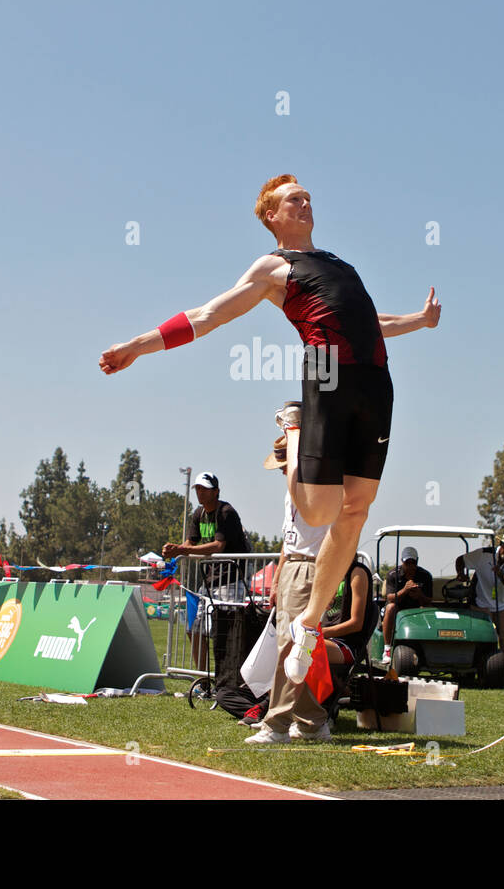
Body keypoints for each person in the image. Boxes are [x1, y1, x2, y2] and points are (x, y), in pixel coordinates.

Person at [101, 174, 441, 685]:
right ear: (271, 216)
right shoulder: (274, 267)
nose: (305, 203)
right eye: (293, 200)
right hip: (327, 374)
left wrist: (420, 320)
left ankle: (308, 625)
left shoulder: (340, 265)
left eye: (308, 197)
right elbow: (208, 314)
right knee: (320, 510)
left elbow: (372, 322)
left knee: (356, 508)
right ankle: (296, 443)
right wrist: (137, 343)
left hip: (377, 383)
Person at [247, 435, 334, 744]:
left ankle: (278, 724)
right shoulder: (292, 492)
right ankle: (312, 722)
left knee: (291, 645)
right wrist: (279, 577)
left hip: (311, 566)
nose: (283, 470)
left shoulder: (315, 488)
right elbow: (288, 541)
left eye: (286, 463)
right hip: (294, 567)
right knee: (294, 646)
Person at [163, 471, 249, 673]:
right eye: (198, 489)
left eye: (204, 489)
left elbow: (218, 546)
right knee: (194, 631)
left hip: (231, 580)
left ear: (216, 492)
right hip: (210, 582)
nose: (200, 493)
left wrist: (182, 550)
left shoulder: (226, 512)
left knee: (226, 634)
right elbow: (189, 543)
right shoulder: (198, 513)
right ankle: (204, 679)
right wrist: (175, 549)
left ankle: (227, 679)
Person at [454, 529, 504, 686]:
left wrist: (500, 572)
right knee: (480, 639)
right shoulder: (483, 554)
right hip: (480, 604)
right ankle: (473, 671)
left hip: (503, 605)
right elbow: (460, 560)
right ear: (501, 544)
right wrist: (461, 573)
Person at [379, 547, 434, 664]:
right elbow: (389, 597)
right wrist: (405, 590)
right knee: (390, 607)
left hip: (417, 608)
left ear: (417, 562)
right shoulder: (393, 574)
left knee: (429, 608)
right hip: (398, 607)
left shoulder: (425, 575)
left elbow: (429, 599)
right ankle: (387, 649)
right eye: (406, 563)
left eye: (412, 563)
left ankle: (430, 647)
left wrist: (419, 595)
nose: (409, 566)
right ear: (402, 562)